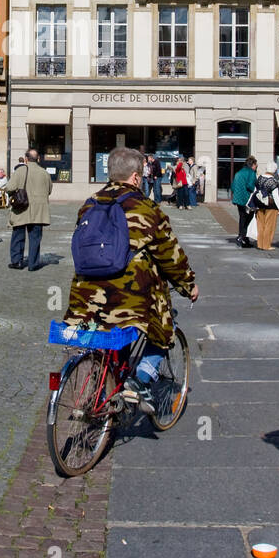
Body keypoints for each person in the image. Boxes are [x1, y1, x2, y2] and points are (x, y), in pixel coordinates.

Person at [64, 147, 199, 414]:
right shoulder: (146, 208)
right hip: (130, 297)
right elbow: (170, 255)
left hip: (85, 295)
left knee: (109, 335)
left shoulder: (89, 203)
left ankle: (103, 392)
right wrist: (189, 285)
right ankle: (141, 380)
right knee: (165, 326)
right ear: (136, 178)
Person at [5, 148, 52, 270]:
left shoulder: (20, 171)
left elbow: (9, 187)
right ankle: (33, 264)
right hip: (39, 209)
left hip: (22, 207)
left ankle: (17, 261)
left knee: (18, 236)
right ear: (38, 159)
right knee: (35, 238)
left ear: (26, 159)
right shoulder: (44, 173)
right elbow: (49, 190)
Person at [231, 155, 258, 248]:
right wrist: (256, 190)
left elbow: (233, 187)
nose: (256, 167)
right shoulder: (251, 173)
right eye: (256, 165)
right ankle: (242, 237)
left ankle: (242, 238)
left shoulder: (238, 172)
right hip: (247, 199)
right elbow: (250, 186)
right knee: (248, 219)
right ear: (253, 165)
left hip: (238, 199)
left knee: (242, 218)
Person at [254, 162, 279, 250]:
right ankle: (266, 245)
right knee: (269, 225)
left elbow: (255, 190)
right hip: (271, 205)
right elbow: (276, 196)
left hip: (259, 203)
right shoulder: (273, 181)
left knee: (260, 225)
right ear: (274, 170)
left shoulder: (259, 178)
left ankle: (260, 244)